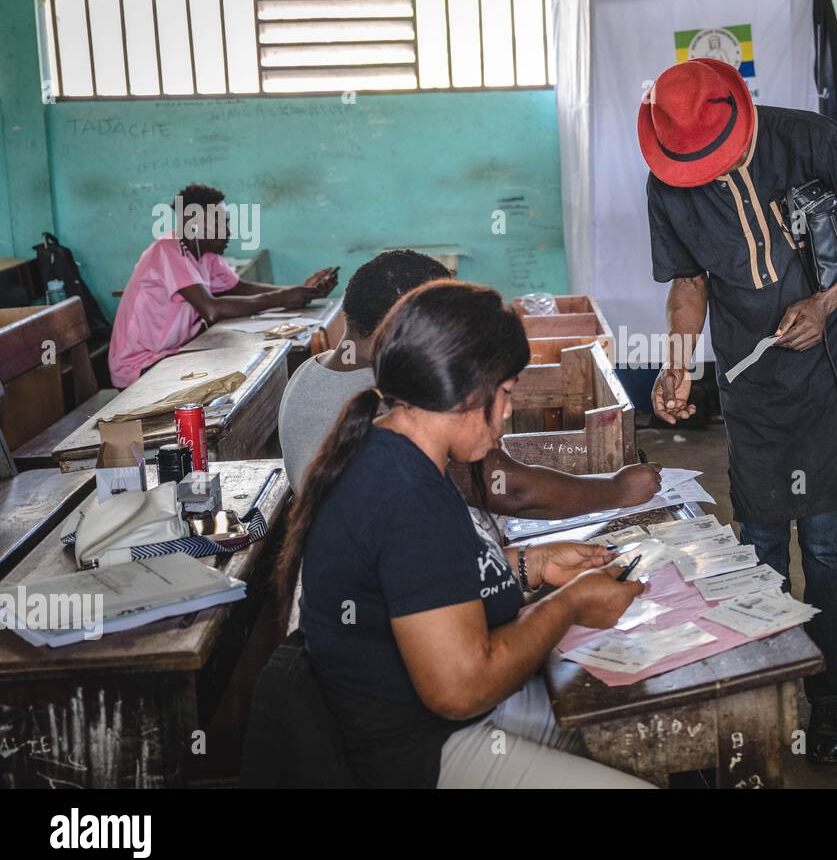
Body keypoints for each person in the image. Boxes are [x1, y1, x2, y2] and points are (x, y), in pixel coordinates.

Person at [278, 279, 653, 788]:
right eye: (505, 394)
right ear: (467, 391)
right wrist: (568, 605)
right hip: (420, 752)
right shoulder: (402, 493)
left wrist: (531, 565)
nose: (505, 414)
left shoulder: (392, 449)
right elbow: (460, 688)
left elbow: (430, 585)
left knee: (622, 728)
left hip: (427, 726)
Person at [642, 58, 837, 763]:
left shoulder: (810, 141)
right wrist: (678, 360)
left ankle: (827, 704)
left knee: (825, 550)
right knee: (758, 555)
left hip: (828, 373)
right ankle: (769, 698)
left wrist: (829, 300)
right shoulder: (665, 184)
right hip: (753, 390)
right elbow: (689, 285)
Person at [277, 248, 662, 509]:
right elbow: (504, 487)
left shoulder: (306, 376)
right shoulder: (407, 400)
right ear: (410, 327)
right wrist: (616, 490)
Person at [108, 183, 338, 387]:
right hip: (139, 366)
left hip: (175, 353)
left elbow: (241, 288)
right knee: (243, 372)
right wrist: (282, 298)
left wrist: (302, 292)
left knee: (254, 364)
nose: (228, 233)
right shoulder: (167, 250)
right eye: (219, 224)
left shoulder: (205, 255)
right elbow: (212, 309)